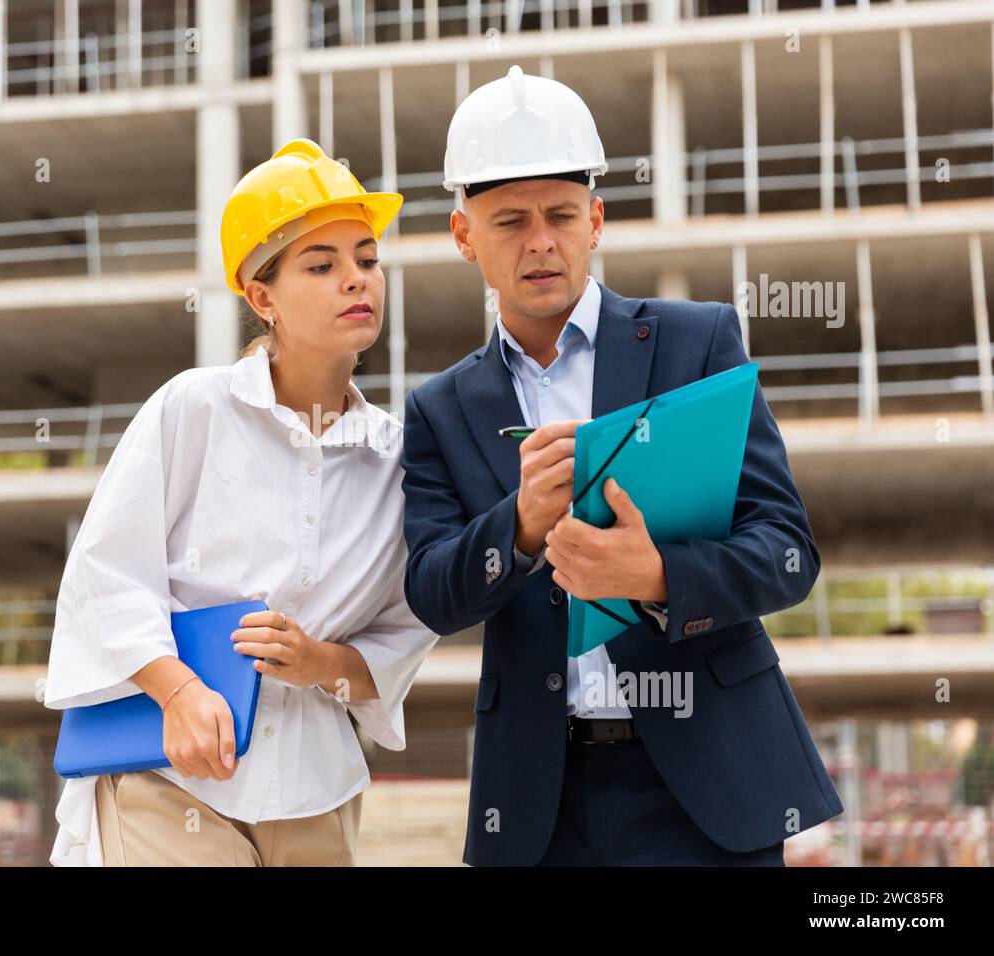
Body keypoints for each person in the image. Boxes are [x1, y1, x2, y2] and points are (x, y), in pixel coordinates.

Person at [401, 65, 844, 866]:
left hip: (708, 786)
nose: (541, 241)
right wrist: (521, 527)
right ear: (464, 236)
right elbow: (432, 592)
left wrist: (658, 576)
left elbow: (787, 552)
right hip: (539, 802)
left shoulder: (697, 342)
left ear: (596, 220)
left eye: (562, 215)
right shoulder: (439, 407)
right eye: (510, 222)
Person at [42, 138, 438, 866]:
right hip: (171, 775)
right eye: (321, 266)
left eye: (366, 258)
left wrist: (324, 662)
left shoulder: (399, 456)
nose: (357, 280)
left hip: (319, 793)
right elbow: (104, 577)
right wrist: (180, 692)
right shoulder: (194, 409)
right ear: (262, 298)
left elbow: (409, 625)